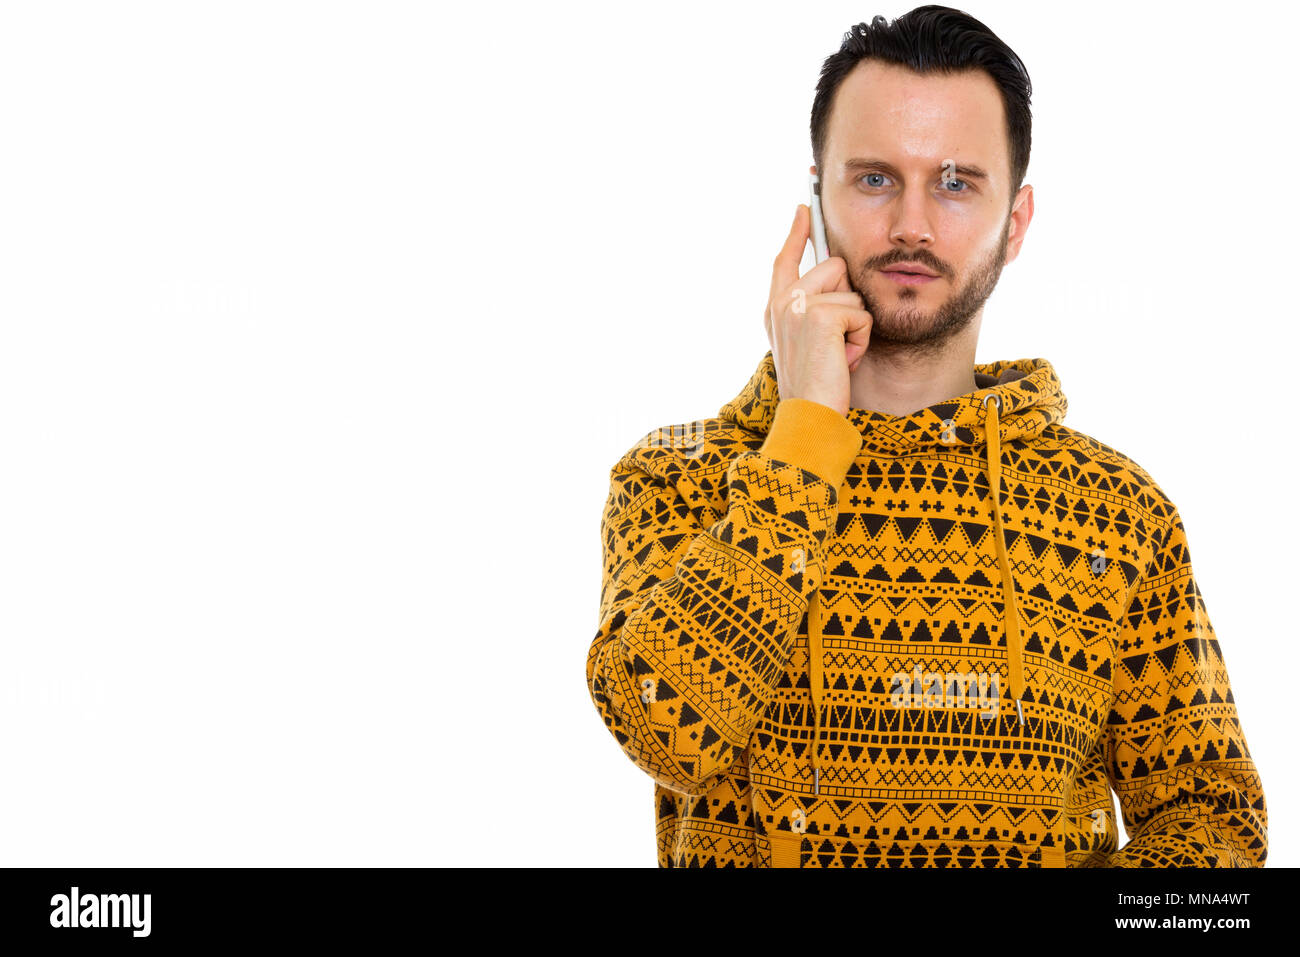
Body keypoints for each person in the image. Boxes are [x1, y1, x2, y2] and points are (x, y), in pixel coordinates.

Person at [585, 6, 1267, 868]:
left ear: (1015, 223)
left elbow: (1219, 835)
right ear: (816, 203)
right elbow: (662, 729)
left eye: (954, 182)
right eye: (874, 179)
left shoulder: (1118, 512)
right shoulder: (676, 476)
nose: (911, 223)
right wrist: (803, 439)